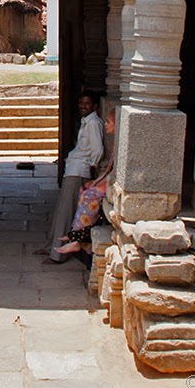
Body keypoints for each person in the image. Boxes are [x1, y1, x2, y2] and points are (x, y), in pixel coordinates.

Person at [42, 90, 104, 263]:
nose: (83, 106)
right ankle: (50, 246)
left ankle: (58, 254)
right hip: (73, 168)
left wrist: (91, 165)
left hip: (79, 171)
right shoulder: (87, 122)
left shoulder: (93, 123)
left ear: (95, 106)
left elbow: (97, 150)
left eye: (87, 103)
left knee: (66, 213)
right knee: (61, 210)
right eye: (81, 103)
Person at [53, 107, 116, 257]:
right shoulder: (116, 142)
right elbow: (109, 169)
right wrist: (96, 180)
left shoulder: (94, 123)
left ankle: (76, 239)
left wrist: (93, 168)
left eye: (108, 122)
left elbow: (100, 155)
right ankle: (74, 235)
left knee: (88, 197)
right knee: (85, 191)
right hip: (104, 178)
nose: (105, 124)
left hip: (108, 180)